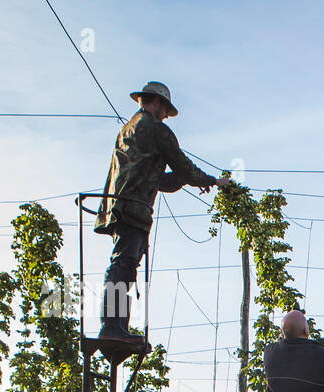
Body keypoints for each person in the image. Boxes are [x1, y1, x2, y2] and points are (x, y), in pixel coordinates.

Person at [94, 81, 231, 343]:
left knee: (124, 265)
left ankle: (117, 327)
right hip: (133, 208)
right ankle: (112, 327)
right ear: (156, 103)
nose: (166, 116)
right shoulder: (155, 130)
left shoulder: (129, 129)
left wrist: (185, 179)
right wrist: (211, 181)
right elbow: (183, 166)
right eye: (166, 110)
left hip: (120, 206)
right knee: (123, 265)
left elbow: (157, 180)